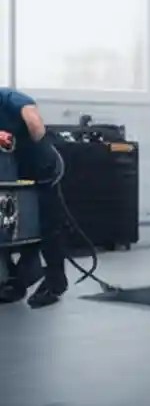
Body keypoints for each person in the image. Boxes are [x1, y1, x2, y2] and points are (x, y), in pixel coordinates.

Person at [0, 88, 68, 309]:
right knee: (9, 227)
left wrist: (32, 149)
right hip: (11, 171)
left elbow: (36, 127)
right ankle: (16, 279)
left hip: (40, 165)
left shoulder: (11, 98)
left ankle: (55, 281)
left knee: (47, 223)